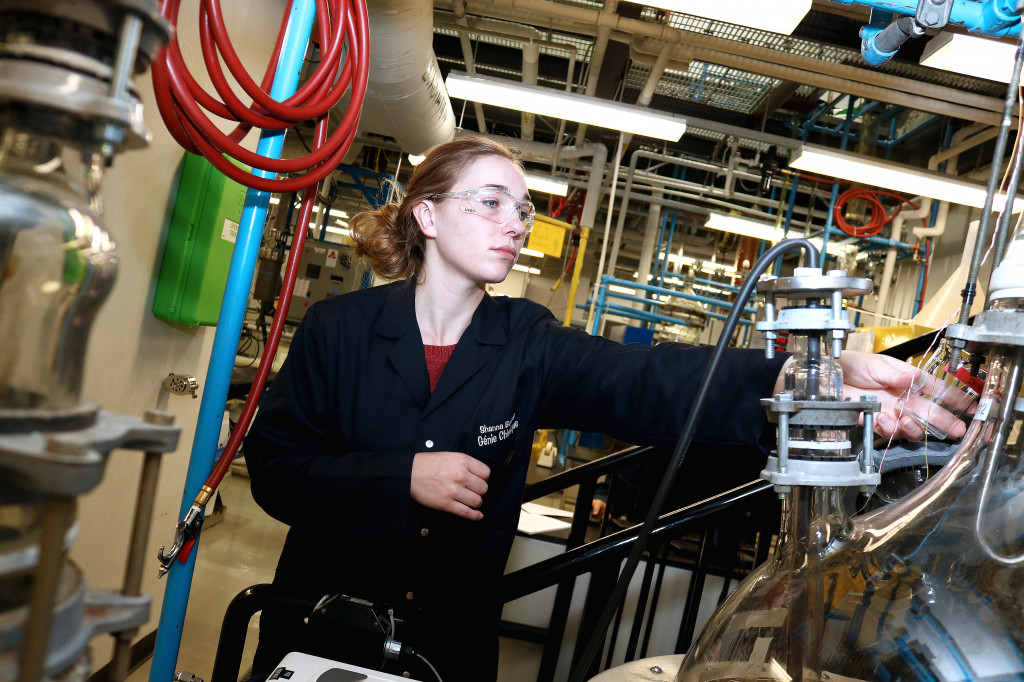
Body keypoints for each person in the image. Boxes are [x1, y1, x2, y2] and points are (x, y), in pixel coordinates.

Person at [242, 136, 966, 681]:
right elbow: (275, 470)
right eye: (490, 202)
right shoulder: (340, 330)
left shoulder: (525, 340)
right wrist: (400, 477)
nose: (515, 223)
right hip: (323, 626)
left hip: (444, 643)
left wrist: (803, 377)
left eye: (522, 209)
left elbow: (645, 378)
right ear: (427, 215)